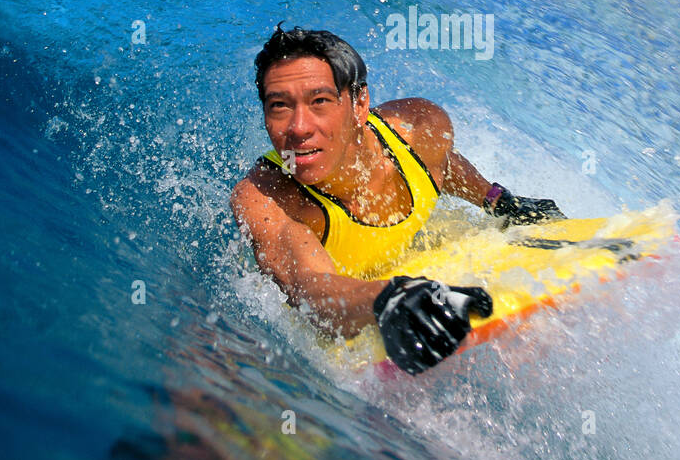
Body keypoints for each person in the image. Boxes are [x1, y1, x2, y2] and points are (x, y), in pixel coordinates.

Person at [230, 24, 565, 374]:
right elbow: (308, 289)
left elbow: (442, 164)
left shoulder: (420, 127)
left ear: (359, 104)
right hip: (355, 304)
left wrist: (497, 200)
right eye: (279, 106)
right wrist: (389, 298)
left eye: (320, 102)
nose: (299, 127)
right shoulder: (265, 198)